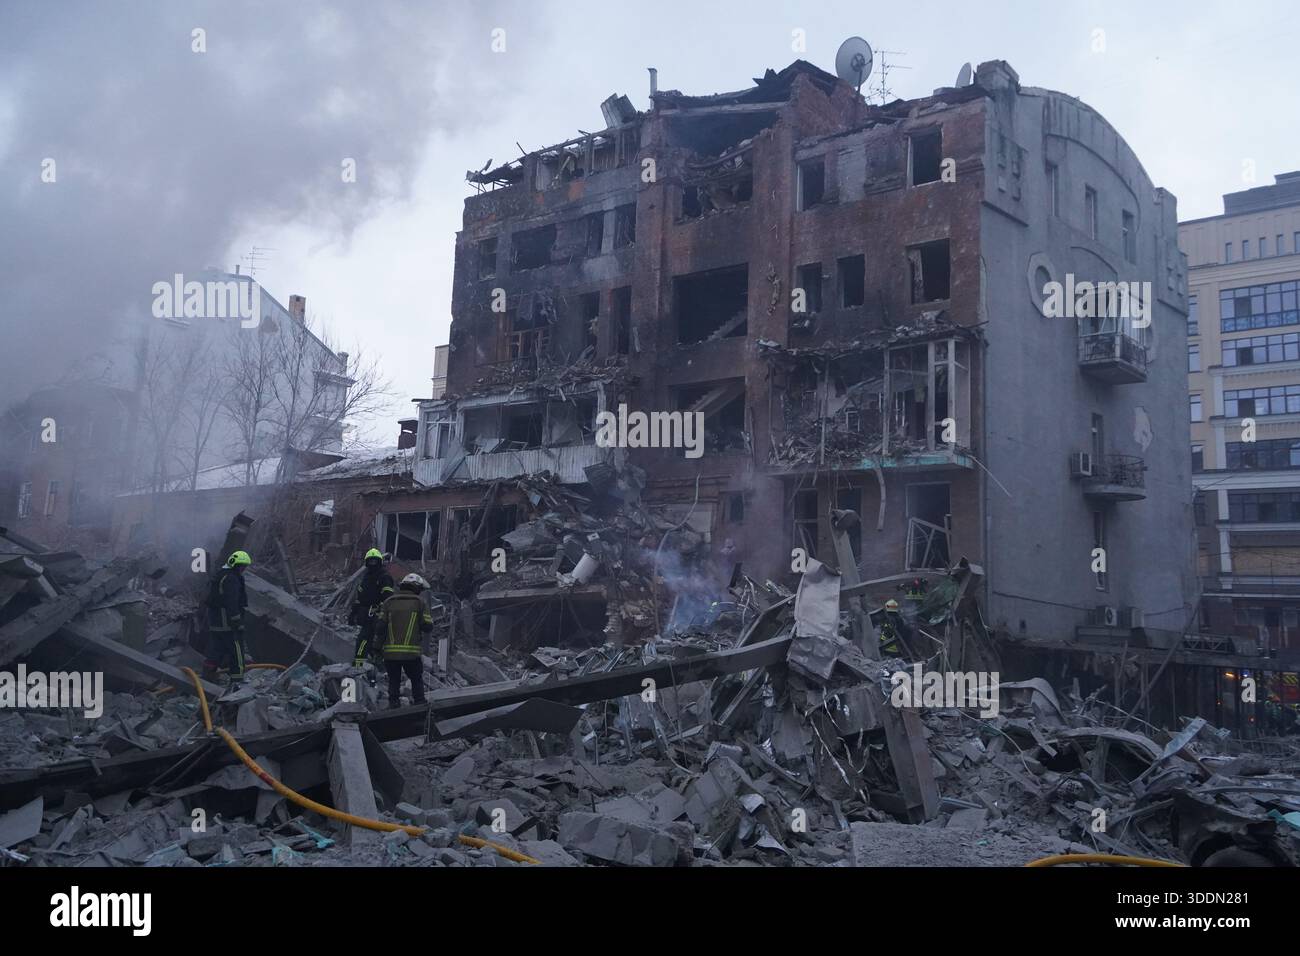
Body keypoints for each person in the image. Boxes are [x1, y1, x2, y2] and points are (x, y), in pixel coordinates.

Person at [377, 573, 434, 708]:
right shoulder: (420, 603)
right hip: (411, 653)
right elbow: (428, 626)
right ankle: (419, 704)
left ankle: (393, 705)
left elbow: (379, 627)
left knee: (394, 681)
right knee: (416, 679)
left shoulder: (388, 602)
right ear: (416, 588)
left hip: (390, 654)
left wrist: (377, 647)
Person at [205, 550, 251, 686]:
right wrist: (238, 622)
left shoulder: (220, 575)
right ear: (236, 565)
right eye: (242, 566)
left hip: (215, 623)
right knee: (237, 652)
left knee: (215, 652)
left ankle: (206, 679)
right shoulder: (231, 579)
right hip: (228, 624)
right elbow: (232, 602)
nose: (243, 569)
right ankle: (237, 682)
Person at [349, 548, 394, 668]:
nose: (372, 564)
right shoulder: (366, 578)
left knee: (377, 639)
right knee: (364, 639)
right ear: (367, 562)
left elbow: (388, 597)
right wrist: (353, 613)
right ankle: (360, 663)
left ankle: (379, 664)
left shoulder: (384, 577)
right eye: (370, 561)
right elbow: (359, 597)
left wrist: (383, 612)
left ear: (379, 562)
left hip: (379, 613)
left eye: (375, 561)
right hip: (365, 614)